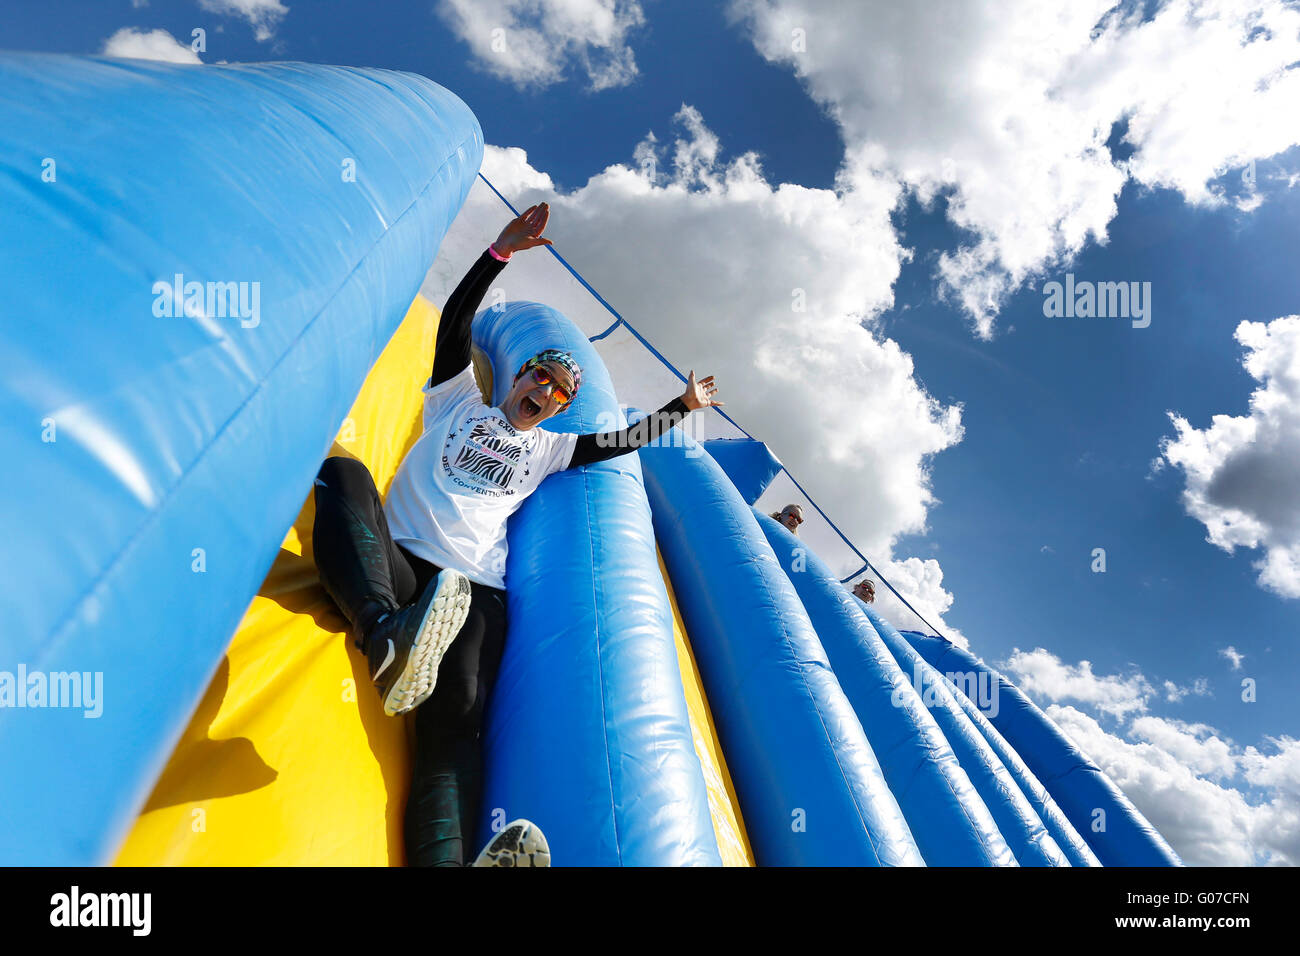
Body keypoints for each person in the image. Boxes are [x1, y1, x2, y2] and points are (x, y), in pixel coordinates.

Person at [311, 202, 723, 866]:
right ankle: (382, 634)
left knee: (453, 735)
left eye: (562, 395)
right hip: (404, 564)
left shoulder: (549, 451)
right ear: (521, 375)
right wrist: (497, 252)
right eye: (543, 378)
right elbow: (455, 322)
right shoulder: (456, 400)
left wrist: (683, 407)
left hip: (473, 593)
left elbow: (621, 439)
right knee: (342, 474)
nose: (550, 395)